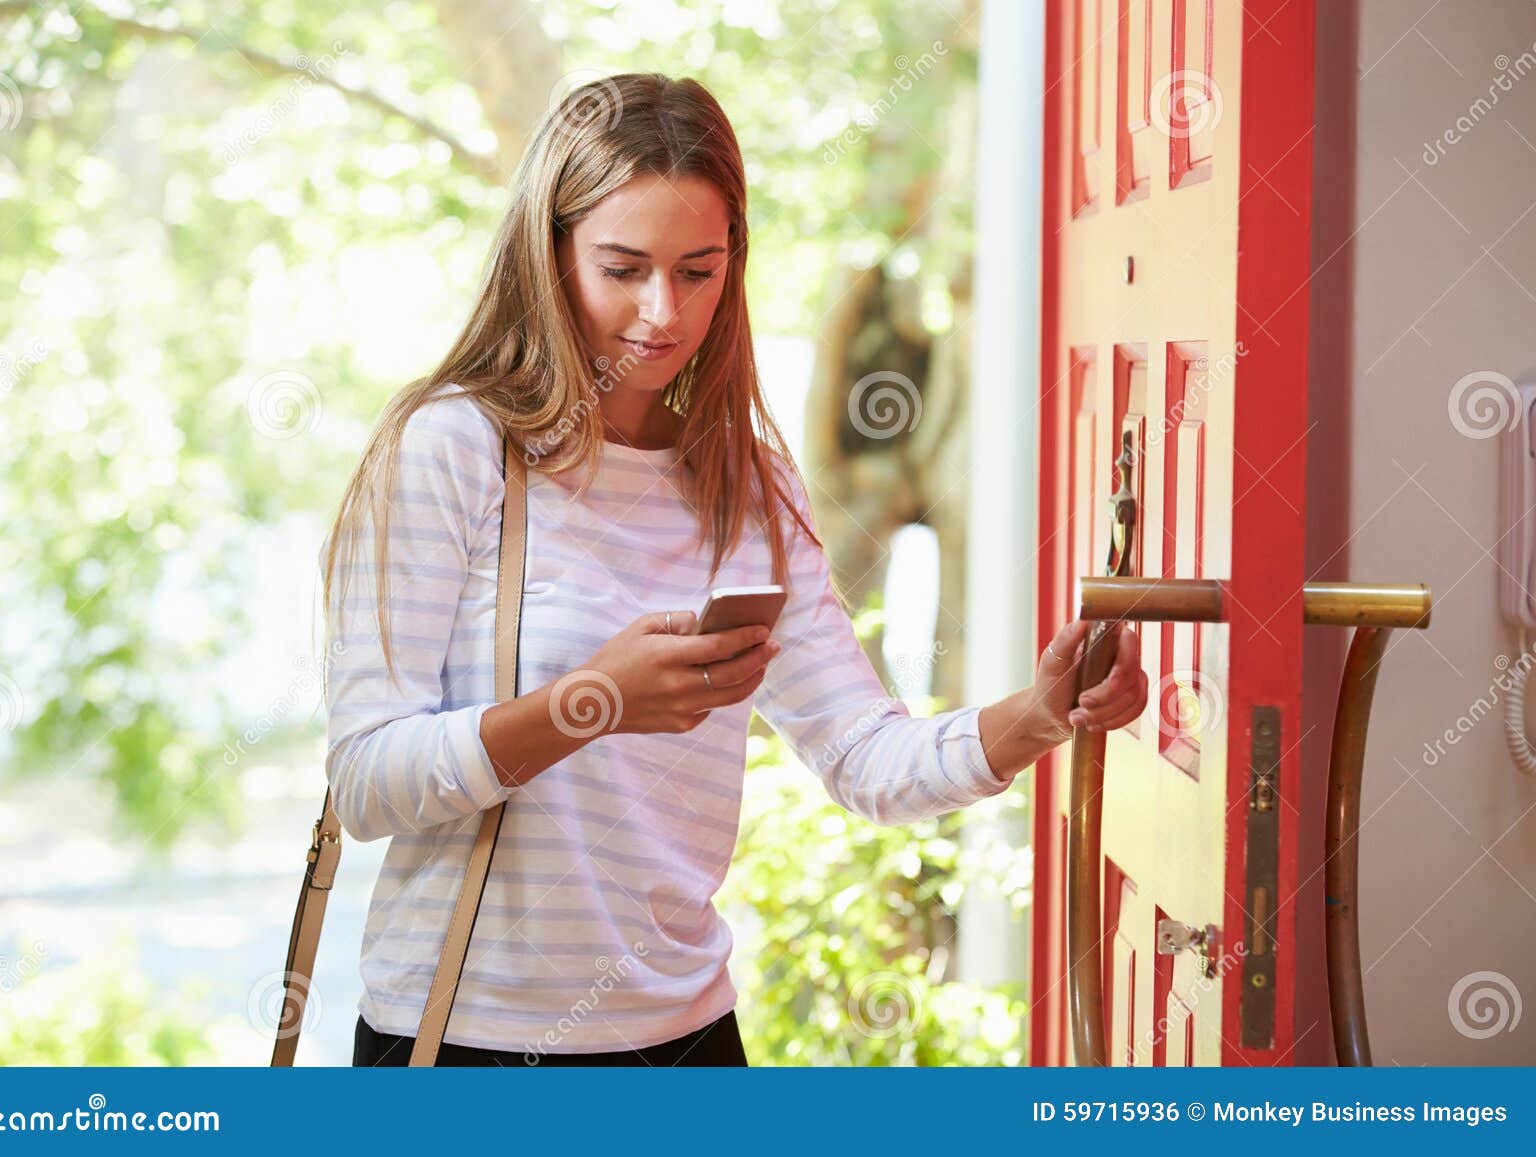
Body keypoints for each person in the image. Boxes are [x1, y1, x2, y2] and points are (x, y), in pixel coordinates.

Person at [319, 72, 1146, 1068]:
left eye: (697, 271)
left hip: (688, 1042)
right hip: (463, 1041)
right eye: (621, 267)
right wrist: (589, 701)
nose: (661, 313)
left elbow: (865, 759)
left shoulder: (746, 486)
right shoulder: (451, 447)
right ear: (549, 253)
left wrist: (1037, 715)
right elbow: (367, 782)